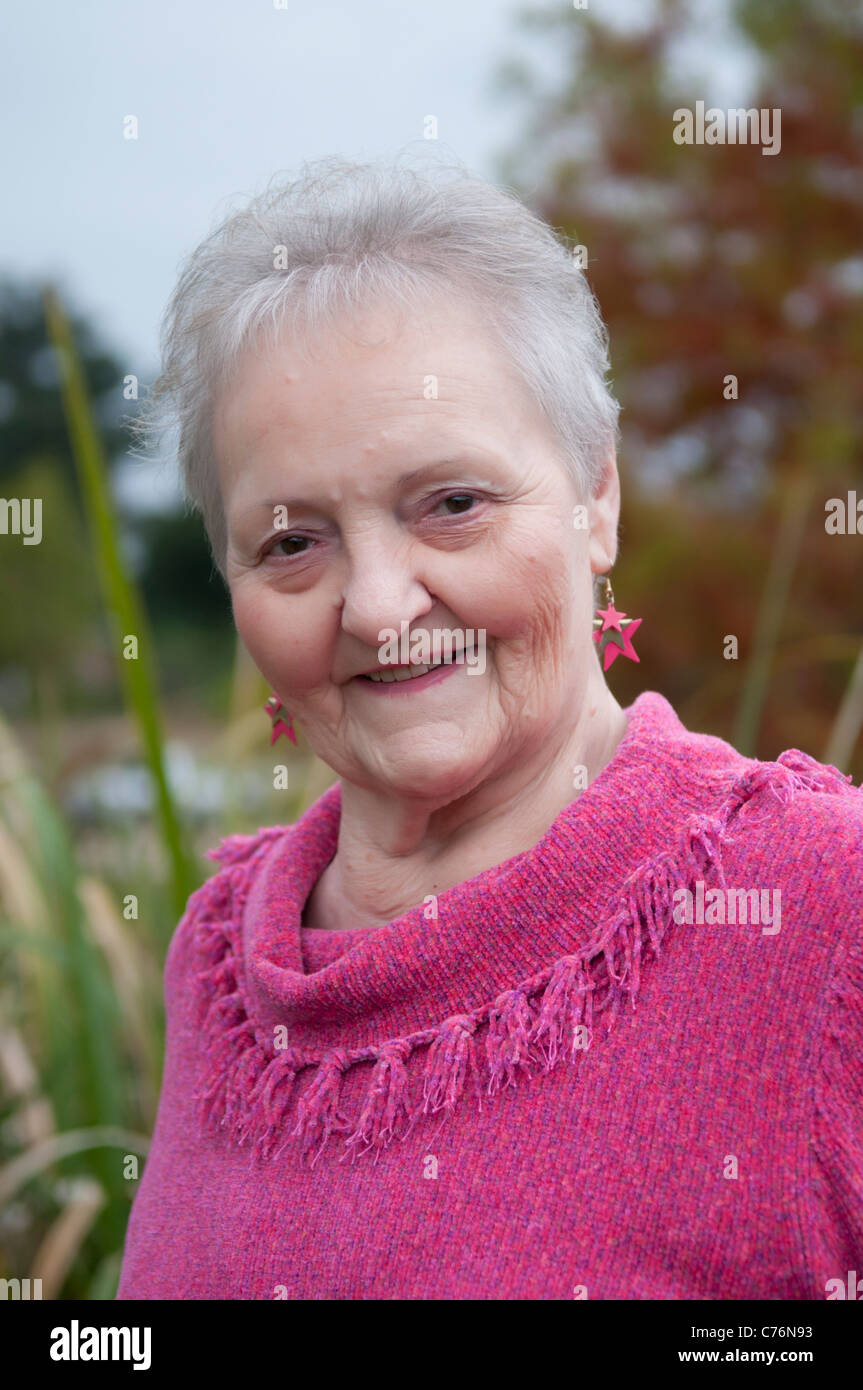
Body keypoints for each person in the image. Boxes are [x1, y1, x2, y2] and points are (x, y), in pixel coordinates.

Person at [116, 155, 862, 1300]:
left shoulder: (821, 912)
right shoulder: (219, 961)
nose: (374, 604)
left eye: (451, 505)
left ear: (596, 496)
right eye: (290, 542)